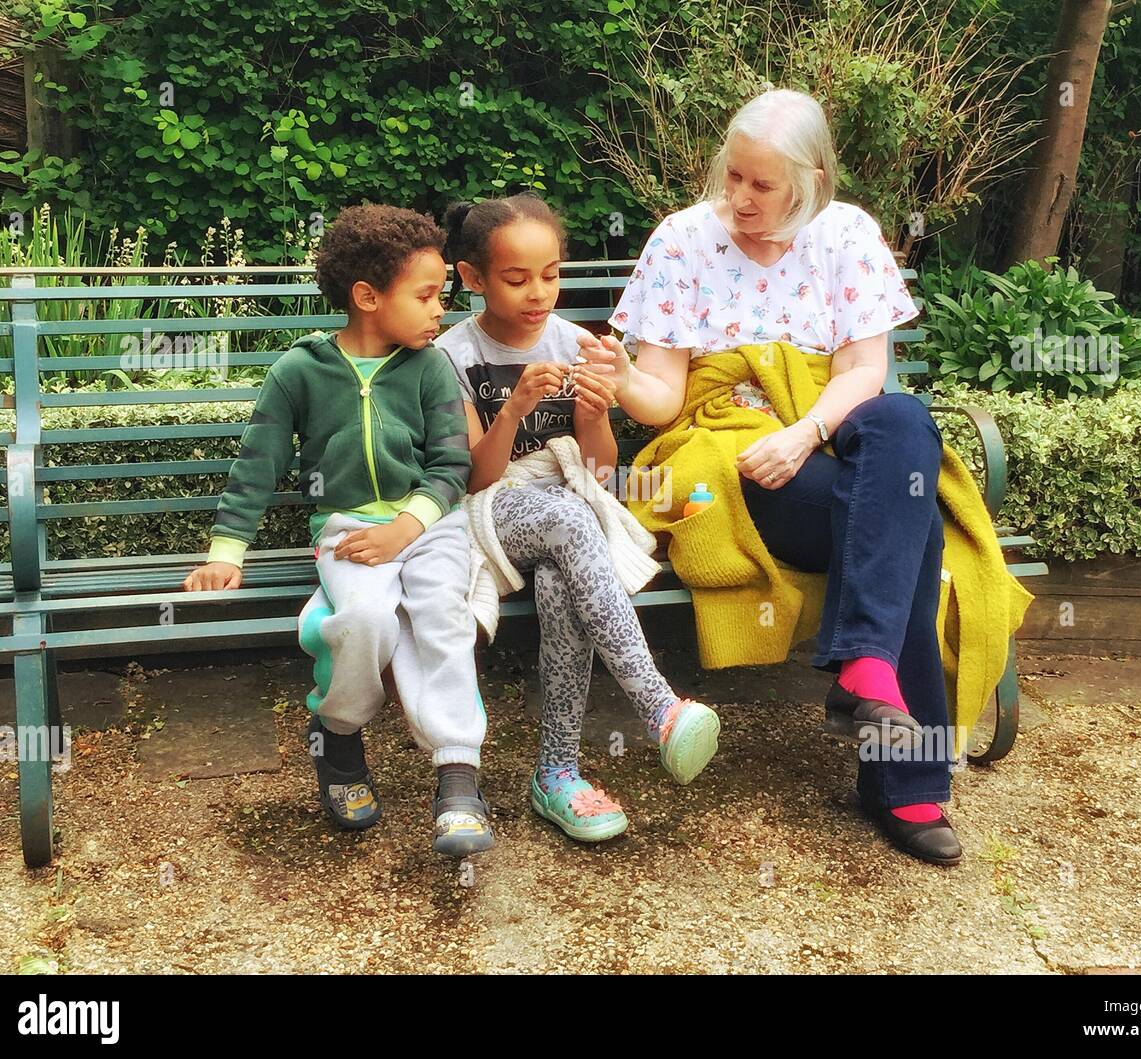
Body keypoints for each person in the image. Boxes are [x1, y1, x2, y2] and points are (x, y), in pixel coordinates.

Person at [585, 89, 963, 865]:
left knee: (902, 420)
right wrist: (621, 376)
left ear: (811, 178)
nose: (740, 198)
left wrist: (805, 432)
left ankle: (864, 671)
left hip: (821, 439)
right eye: (733, 177)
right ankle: (898, 762)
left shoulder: (847, 234)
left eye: (761, 184)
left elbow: (866, 370)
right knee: (910, 526)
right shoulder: (683, 240)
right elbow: (661, 403)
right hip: (738, 461)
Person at [183, 203, 494, 856]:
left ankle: (458, 776)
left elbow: (450, 465)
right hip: (348, 531)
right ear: (367, 297)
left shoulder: (431, 366)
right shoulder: (299, 372)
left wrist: (407, 530)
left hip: (431, 525)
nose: (443, 309)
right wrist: (227, 551)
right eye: (428, 295)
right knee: (367, 621)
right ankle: (339, 737)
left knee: (441, 613)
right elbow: (258, 462)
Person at [436, 193, 720, 843]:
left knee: (562, 579)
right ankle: (658, 706)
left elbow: (596, 470)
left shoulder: (575, 344)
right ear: (474, 278)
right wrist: (512, 410)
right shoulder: (454, 356)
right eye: (516, 278)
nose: (539, 292)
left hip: (567, 504)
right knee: (570, 521)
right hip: (490, 508)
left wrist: (593, 415)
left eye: (552, 273)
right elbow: (473, 477)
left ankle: (556, 775)